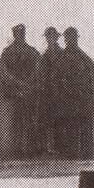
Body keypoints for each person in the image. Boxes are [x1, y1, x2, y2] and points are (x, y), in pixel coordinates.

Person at [0, 24, 41, 158]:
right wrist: (25, 84)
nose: (20, 36)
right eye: (19, 33)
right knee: (24, 121)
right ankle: (25, 150)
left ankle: (21, 150)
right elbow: (36, 72)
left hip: (18, 92)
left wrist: (18, 84)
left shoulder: (8, 52)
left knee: (22, 121)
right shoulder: (31, 52)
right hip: (24, 92)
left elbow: (4, 73)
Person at [54, 26, 94, 159]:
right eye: (68, 38)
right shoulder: (65, 57)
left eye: (71, 38)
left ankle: (83, 155)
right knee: (71, 129)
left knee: (82, 129)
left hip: (80, 99)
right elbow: (57, 79)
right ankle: (74, 155)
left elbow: (92, 75)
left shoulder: (81, 57)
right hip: (70, 99)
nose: (70, 40)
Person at [34, 27, 63, 157]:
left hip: (57, 93)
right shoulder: (45, 54)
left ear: (56, 38)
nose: (49, 39)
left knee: (57, 121)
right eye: (47, 37)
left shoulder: (61, 54)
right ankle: (48, 148)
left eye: (51, 37)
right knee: (45, 121)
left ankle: (56, 148)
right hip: (46, 93)